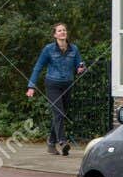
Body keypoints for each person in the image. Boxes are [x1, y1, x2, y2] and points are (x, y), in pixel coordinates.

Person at [27, 23, 85, 156]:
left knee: (61, 114)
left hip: (68, 84)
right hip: (52, 84)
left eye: (64, 30)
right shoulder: (48, 49)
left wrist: (81, 68)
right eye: (59, 31)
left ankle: (51, 143)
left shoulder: (74, 49)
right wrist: (31, 86)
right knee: (59, 112)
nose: (62, 32)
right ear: (55, 35)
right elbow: (38, 67)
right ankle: (62, 142)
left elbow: (79, 66)